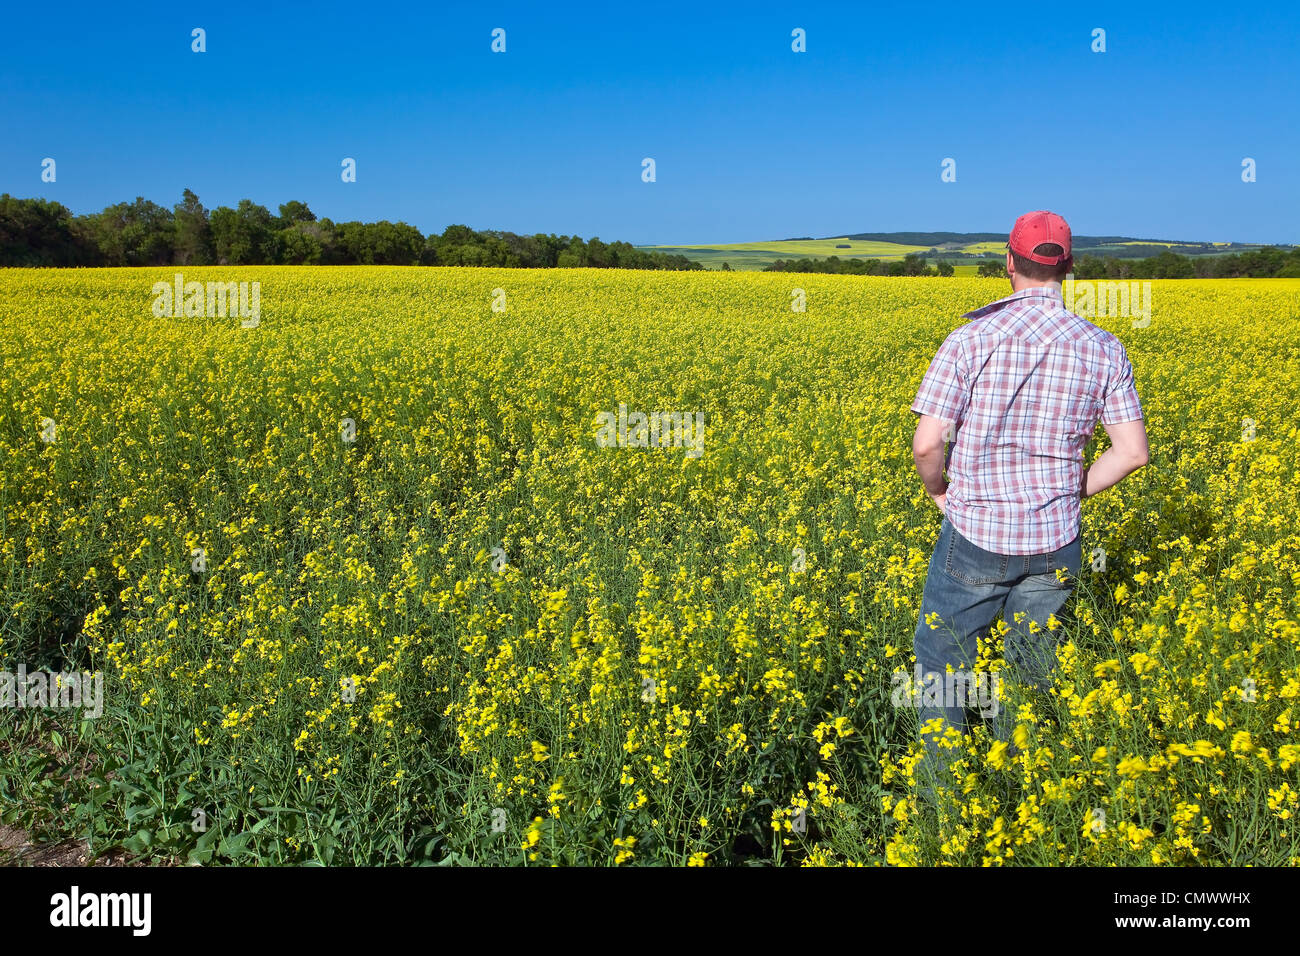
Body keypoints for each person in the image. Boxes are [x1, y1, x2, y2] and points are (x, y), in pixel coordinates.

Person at [907, 210, 1149, 800]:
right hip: (1055, 544)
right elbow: (1133, 453)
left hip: (977, 535)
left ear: (1008, 263)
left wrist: (939, 491)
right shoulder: (1103, 347)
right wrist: (1069, 491)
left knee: (944, 669)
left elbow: (927, 442)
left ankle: (945, 803)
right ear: (1068, 267)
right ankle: (1022, 794)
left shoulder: (971, 338)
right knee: (1030, 670)